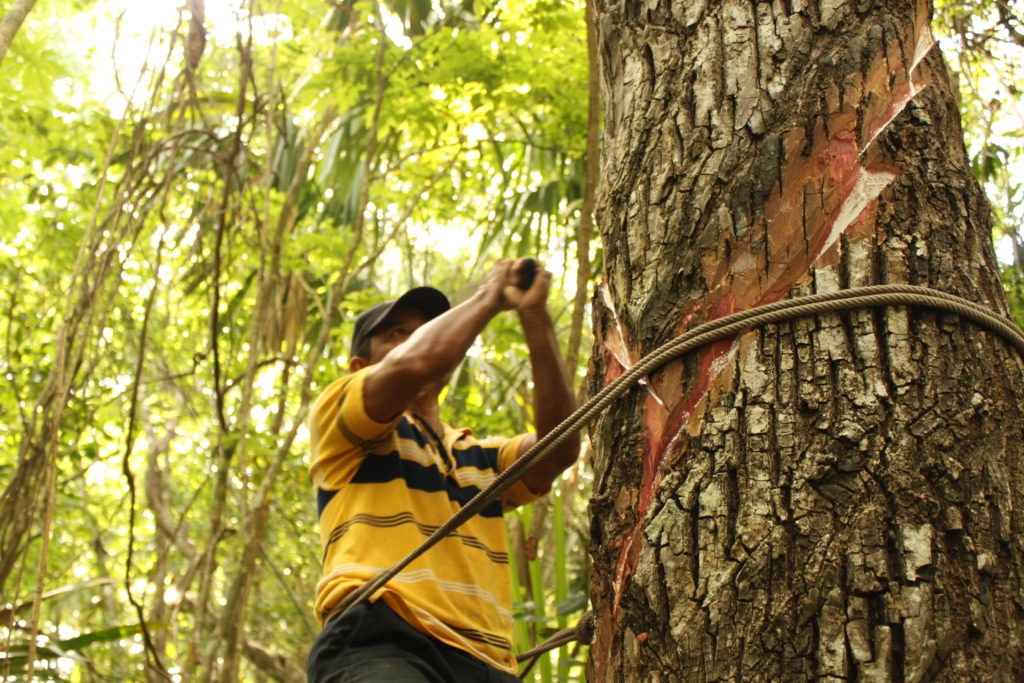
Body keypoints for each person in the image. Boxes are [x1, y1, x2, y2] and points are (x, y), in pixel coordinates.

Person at [306, 258, 579, 682]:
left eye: (427, 329)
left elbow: (559, 448)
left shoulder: (481, 458)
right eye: (398, 333)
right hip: (383, 641)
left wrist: (533, 314)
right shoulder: (342, 418)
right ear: (361, 367)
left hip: (488, 663)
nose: (417, 340)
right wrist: (489, 297)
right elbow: (416, 364)